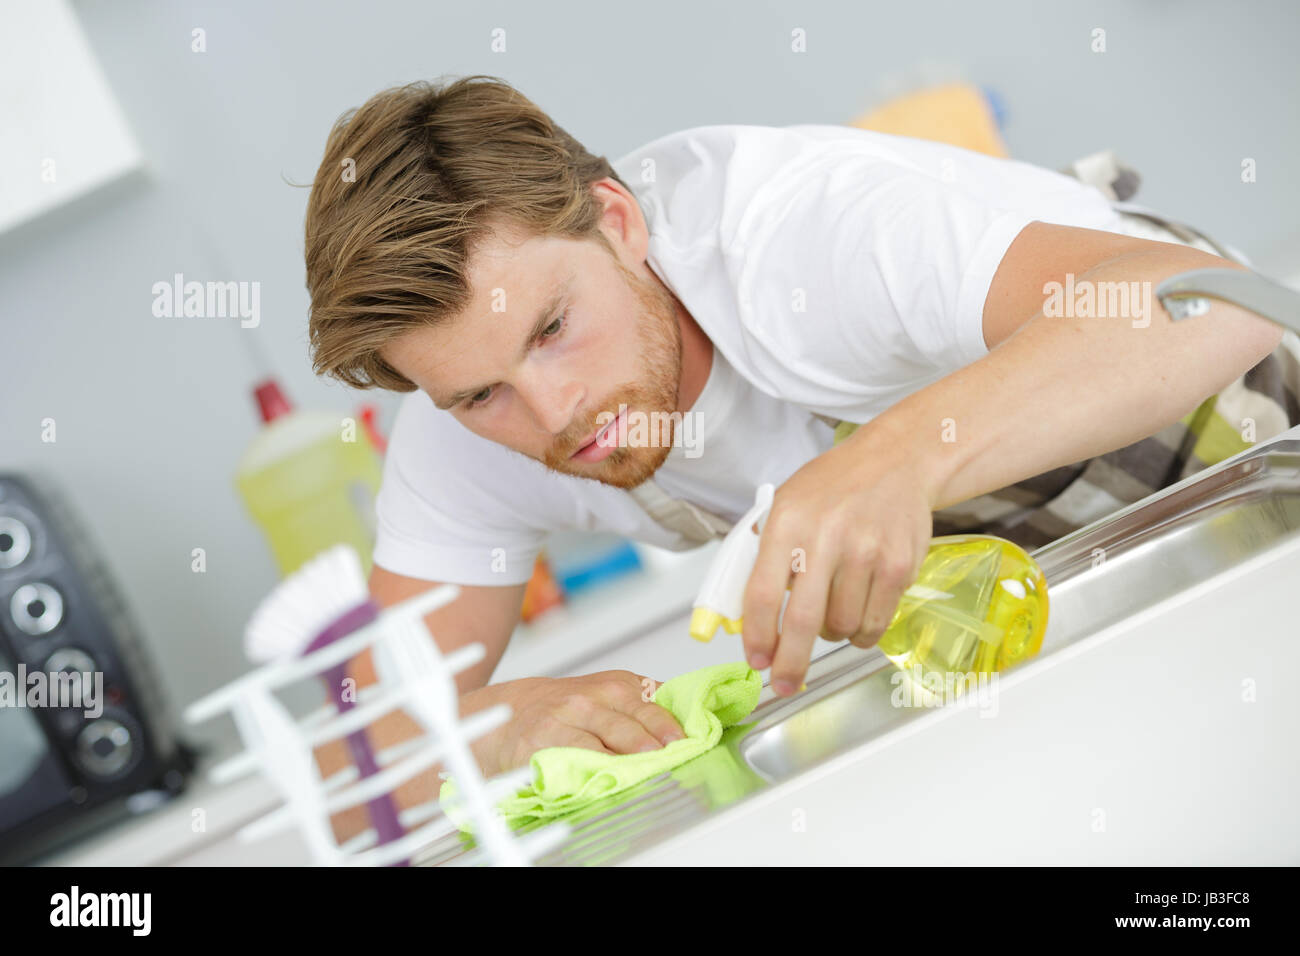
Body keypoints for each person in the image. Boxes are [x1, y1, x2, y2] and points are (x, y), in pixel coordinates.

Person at [300, 75, 1294, 832]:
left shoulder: (798, 235)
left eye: (554, 326)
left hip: (1233, 434)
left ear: (618, 221)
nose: (552, 409)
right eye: (479, 394)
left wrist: (900, 454)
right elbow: (349, 780)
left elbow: (1214, 301)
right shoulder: (459, 422)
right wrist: (480, 733)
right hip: (1034, 603)